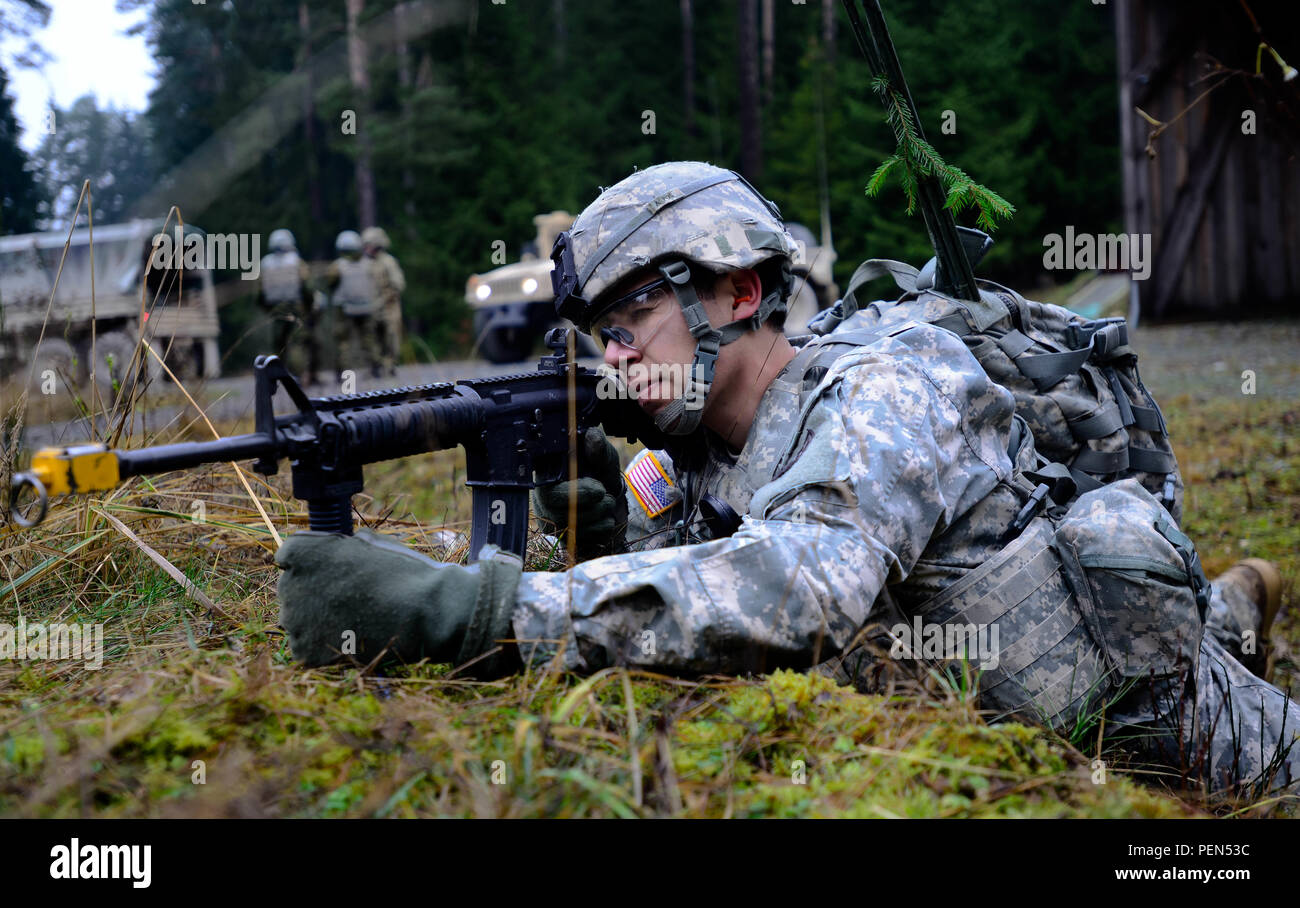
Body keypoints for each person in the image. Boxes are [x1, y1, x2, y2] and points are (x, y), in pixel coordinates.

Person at [276, 161, 1297, 797]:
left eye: (631, 323)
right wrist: (590, 524)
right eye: (600, 335)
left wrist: (477, 614)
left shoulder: (885, 383)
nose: (613, 356)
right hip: (1002, 726)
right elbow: (683, 594)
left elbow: (802, 586)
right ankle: (1232, 603)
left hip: (1177, 738)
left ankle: (1223, 623)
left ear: (740, 290)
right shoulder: (694, 450)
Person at [259, 228, 320, 384]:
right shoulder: (297, 262)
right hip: (296, 307)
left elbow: (260, 292)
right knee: (297, 342)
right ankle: (297, 376)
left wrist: (267, 309)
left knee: (279, 343)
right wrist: (309, 306)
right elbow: (308, 287)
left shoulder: (265, 264)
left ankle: (277, 376)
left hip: (276, 309)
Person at [325, 229, 381, 379]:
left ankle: (343, 373)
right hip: (367, 307)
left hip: (344, 308)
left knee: (343, 343)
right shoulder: (370, 264)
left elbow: (329, 284)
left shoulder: (337, 266)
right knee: (368, 340)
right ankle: (375, 368)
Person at [361, 226, 406, 376]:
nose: (366, 248)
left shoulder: (388, 262)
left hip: (389, 307)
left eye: (369, 244)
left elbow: (399, 284)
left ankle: (390, 365)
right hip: (371, 307)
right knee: (372, 339)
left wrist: (387, 297)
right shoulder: (365, 263)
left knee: (391, 337)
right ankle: (375, 366)